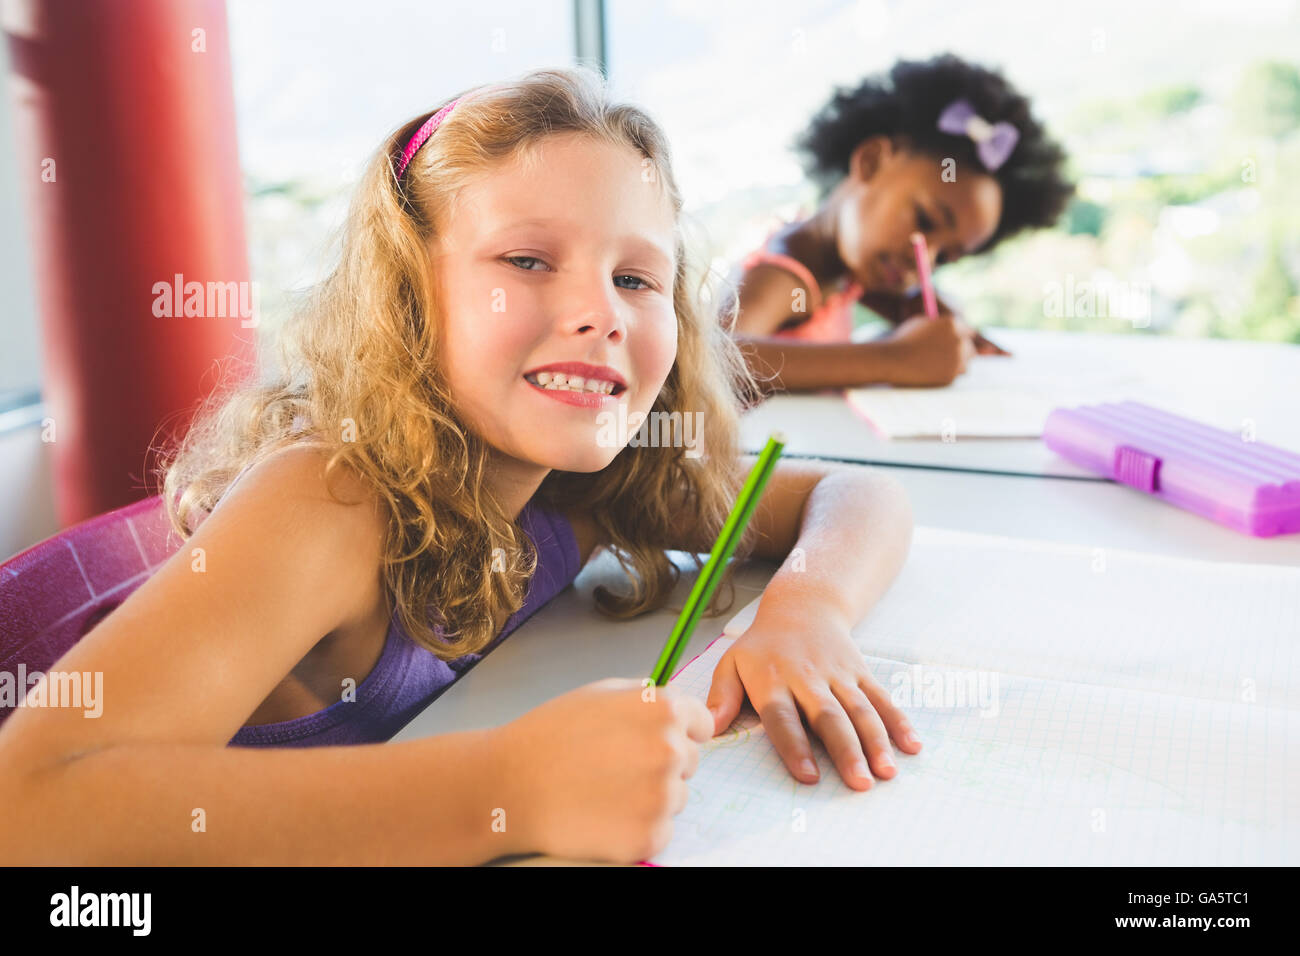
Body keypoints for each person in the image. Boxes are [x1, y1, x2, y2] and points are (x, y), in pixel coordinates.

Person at [0, 67, 918, 866]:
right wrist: (508, 787)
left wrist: (808, 610)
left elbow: (855, 493)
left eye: (637, 279)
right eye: (526, 260)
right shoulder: (333, 498)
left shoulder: (585, 487)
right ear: (408, 299)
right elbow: (28, 812)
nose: (599, 312)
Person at [725, 53, 1074, 393]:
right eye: (926, 220)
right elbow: (716, 356)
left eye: (943, 258)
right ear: (873, 161)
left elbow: (887, 297)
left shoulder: (840, 266)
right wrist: (894, 358)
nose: (922, 256)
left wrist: (918, 309)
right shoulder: (783, 276)